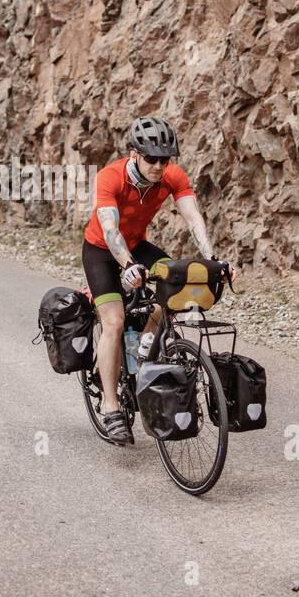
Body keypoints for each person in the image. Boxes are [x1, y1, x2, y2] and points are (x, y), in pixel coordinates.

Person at [81, 116, 217, 443]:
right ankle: (111, 408)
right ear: (135, 154)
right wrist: (126, 264)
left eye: (165, 159)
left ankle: (143, 346)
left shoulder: (171, 176)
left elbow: (193, 217)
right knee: (113, 321)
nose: (158, 166)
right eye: (151, 158)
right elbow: (111, 230)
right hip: (101, 249)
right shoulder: (109, 178)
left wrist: (212, 258)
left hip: (138, 245)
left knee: (179, 283)